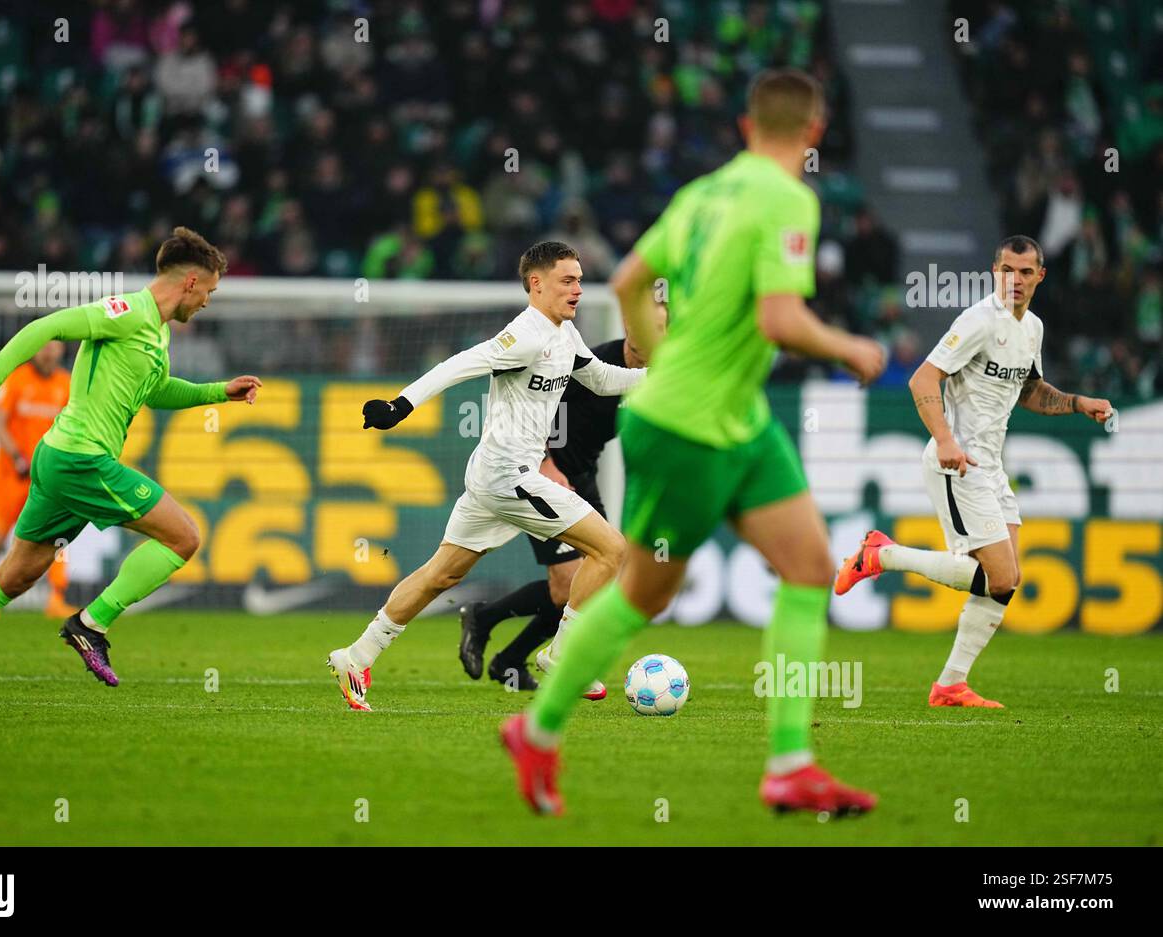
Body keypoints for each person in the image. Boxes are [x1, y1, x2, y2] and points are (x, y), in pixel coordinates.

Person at [500, 69, 887, 817]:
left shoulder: (702, 194)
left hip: (737, 418)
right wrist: (849, 348)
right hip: (691, 423)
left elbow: (628, 280)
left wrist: (661, 352)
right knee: (645, 591)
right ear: (814, 131)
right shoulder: (790, 198)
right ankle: (537, 729)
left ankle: (791, 766)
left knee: (810, 566)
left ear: (747, 127)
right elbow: (780, 320)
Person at [0, 227, 263, 718]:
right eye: (210, 291)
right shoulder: (126, 312)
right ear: (191, 282)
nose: (208, 301)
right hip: (81, 460)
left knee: (16, 576)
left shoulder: (157, 332)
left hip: (59, 459)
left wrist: (218, 392)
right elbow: (47, 327)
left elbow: (156, 391)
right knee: (184, 537)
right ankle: (91, 624)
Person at [327, 241, 645, 711]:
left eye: (579, 280)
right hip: (509, 475)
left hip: (493, 475)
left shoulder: (564, 334)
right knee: (611, 550)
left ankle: (356, 656)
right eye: (567, 280)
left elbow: (599, 378)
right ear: (536, 284)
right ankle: (564, 656)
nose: (578, 289)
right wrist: (400, 405)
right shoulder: (526, 335)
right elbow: (460, 364)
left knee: (441, 574)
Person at [835, 235, 1113, 707]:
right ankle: (883, 555)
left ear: (1040, 276)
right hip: (959, 463)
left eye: (1025, 272)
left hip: (991, 465)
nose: (1015, 280)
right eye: (1007, 270)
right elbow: (923, 378)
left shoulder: (1032, 328)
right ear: (993, 272)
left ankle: (950, 684)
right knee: (1000, 578)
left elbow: (1029, 391)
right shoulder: (978, 321)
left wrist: (1076, 403)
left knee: (1005, 581)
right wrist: (946, 440)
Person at [459, 309, 666, 690]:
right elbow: (539, 404)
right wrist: (546, 462)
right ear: (628, 325)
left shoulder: (656, 378)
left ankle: (506, 654)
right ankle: (487, 621)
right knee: (567, 585)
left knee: (596, 579)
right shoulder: (594, 363)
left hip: (583, 475)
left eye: (663, 327)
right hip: (540, 473)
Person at [0, 339, 75, 618]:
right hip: (13, 473)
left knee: (58, 536)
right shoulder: (17, 379)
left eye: (54, 346)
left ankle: (56, 598)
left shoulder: (66, 384)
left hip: (47, 478)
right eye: (44, 346)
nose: (48, 352)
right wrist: (17, 457)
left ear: (61, 350)